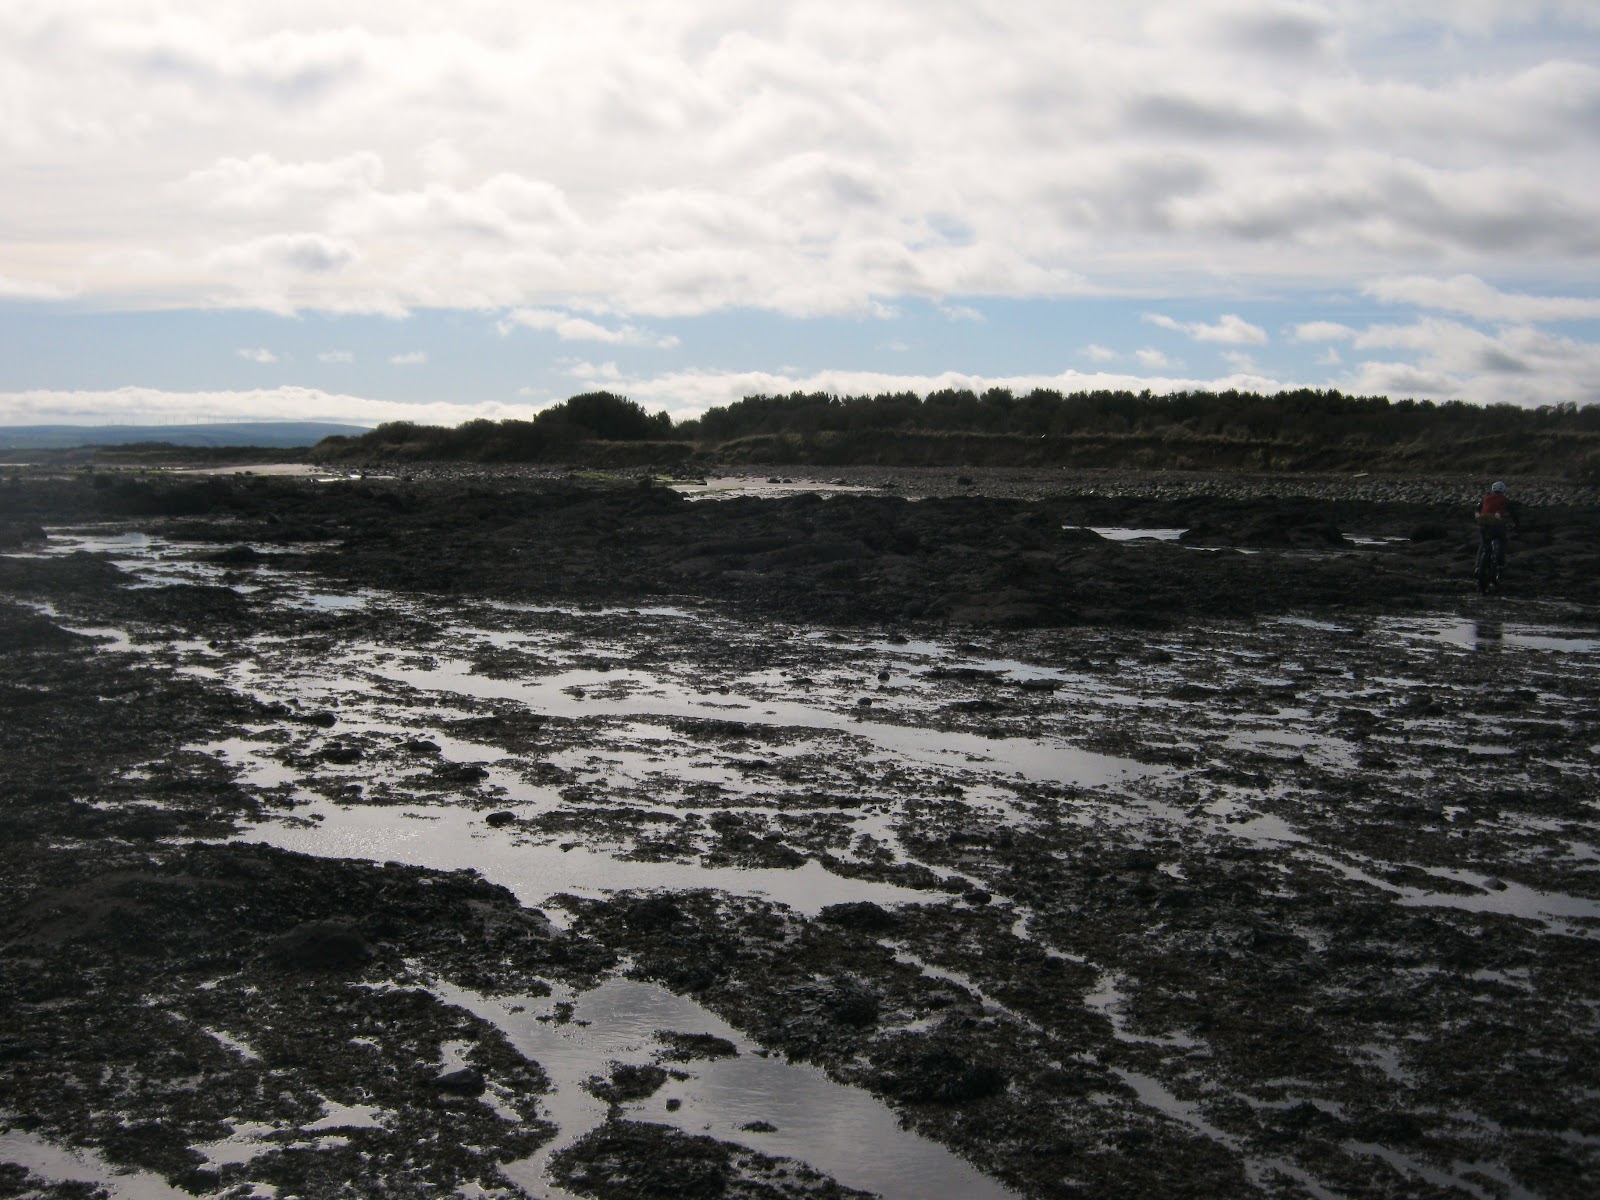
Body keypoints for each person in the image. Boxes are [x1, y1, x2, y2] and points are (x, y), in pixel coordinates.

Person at [1475, 480, 1518, 588]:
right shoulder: (1504, 500)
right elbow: (1513, 513)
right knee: (1502, 542)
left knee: (1483, 545)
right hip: (1497, 526)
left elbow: (1477, 509)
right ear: (1503, 490)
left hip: (1483, 526)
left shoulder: (1485, 498)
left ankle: (1477, 567)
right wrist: (1517, 524)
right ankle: (1501, 564)